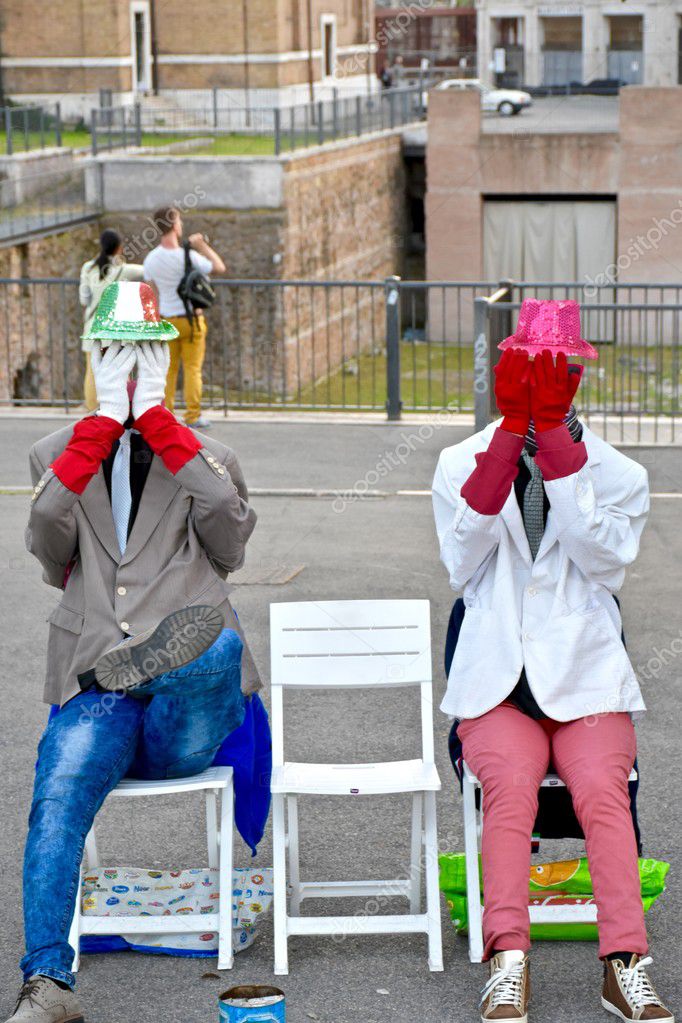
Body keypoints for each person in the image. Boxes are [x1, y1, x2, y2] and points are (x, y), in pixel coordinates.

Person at [6, 281, 260, 1023]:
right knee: (56, 797)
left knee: (218, 645)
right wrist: (99, 431)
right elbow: (49, 545)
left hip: (185, 708)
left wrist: (157, 421)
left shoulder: (207, 457)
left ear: (165, 359)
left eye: (143, 352)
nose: (129, 363)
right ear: (94, 355)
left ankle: (158, 659)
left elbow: (231, 539)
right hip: (101, 694)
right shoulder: (58, 456)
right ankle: (48, 982)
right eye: (116, 350)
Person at [432, 299, 673, 1023]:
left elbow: (603, 560)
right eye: (535, 367)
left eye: (563, 367)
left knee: (603, 788)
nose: (552, 377)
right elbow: (460, 559)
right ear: (509, 371)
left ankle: (625, 966)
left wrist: (557, 451)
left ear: (579, 373)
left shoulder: (621, 473)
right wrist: (510, 435)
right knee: (508, 788)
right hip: (497, 684)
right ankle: (509, 962)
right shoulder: (457, 464)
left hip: (587, 678)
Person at [143, 206, 226, 430]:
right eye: (179, 221)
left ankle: (167, 415)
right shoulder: (188, 256)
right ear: (174, 226)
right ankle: (192, 416)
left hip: (166, 320)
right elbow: (219, 267)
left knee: (168, 371)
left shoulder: (151, 260)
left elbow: (152, 295)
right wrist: (201, 245)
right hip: (191, 320)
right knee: (192, 369)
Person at [78, 229, 143, 411]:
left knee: (92, 373)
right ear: (119, 248)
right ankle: (118, 410)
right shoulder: (123, 269)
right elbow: (147, 271)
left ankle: (92, 413)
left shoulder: (87, 268)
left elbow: (84, 299)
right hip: (114, 330)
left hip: (92, 328)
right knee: (120, 373)